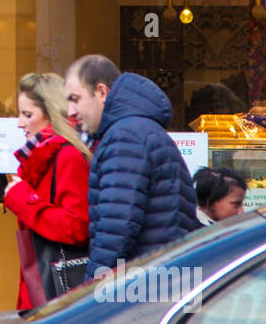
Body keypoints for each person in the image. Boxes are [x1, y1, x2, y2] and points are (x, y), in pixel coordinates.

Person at [64, 54, 199, 279]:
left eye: (75, 99)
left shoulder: (125, 137)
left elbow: (115, 230)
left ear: (101, 92)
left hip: (143, 287)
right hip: (158, 278)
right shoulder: (136, 130)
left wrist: (91, 294)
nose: (70, 111)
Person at [4, 73, 92, 310]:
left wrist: (23, 199)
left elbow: (77, 227)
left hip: (57, 288)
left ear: (51, 113)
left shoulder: (67, 156)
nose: (20, 123)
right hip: (45, 282)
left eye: (27, 114)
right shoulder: (41, 157)